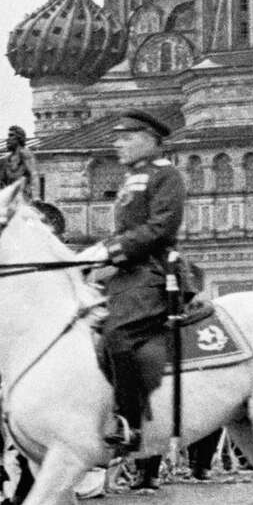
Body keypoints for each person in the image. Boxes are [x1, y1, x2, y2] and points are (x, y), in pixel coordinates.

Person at [73, 109, 188, 452]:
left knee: (118, 332)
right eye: (116, 137)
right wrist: (97, 252)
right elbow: (126, 229)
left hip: (153, 271)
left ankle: (129, 420)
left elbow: (160, 228)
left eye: (127, 137)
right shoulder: (132, 177)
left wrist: (109, 250)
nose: (117, 143)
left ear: (151, 140)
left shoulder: (167, 176)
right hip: (125, 273)